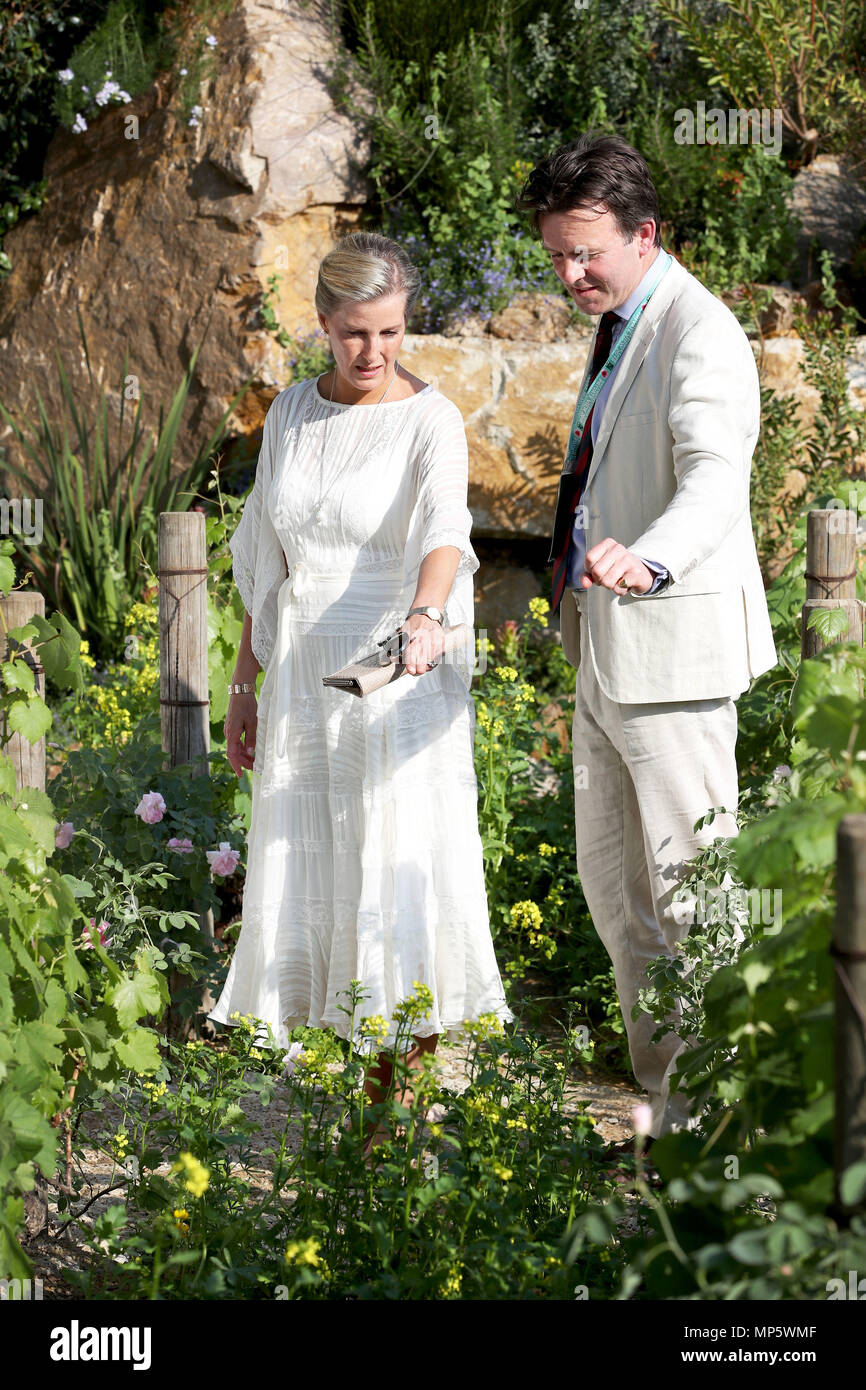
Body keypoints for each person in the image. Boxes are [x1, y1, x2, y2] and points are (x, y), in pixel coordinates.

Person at [208, 231, 513, 1153]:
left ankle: (402, 1113)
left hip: (397, 673)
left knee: (397, 870)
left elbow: (446, 529)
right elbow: (269, 560)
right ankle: (348, 1103)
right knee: (321, 867)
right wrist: (244, 685)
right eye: (353, 334)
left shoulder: (433, 419)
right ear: (323, 325)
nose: (374, 352)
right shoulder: (292, 416)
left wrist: (425, 618)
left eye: (389, 331)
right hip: (305, 672)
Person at [515, 132, 777, 1153]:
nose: (569, 274)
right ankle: (668, 1111)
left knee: (692, 896)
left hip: (668, 658)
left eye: (585, 253)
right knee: (613, 891)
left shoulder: (697, 332)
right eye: (554, 257)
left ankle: (730, 1136)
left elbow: (716, 473)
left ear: (644, 233)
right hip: (603, 654)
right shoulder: (622, 318)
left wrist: (650, 559)